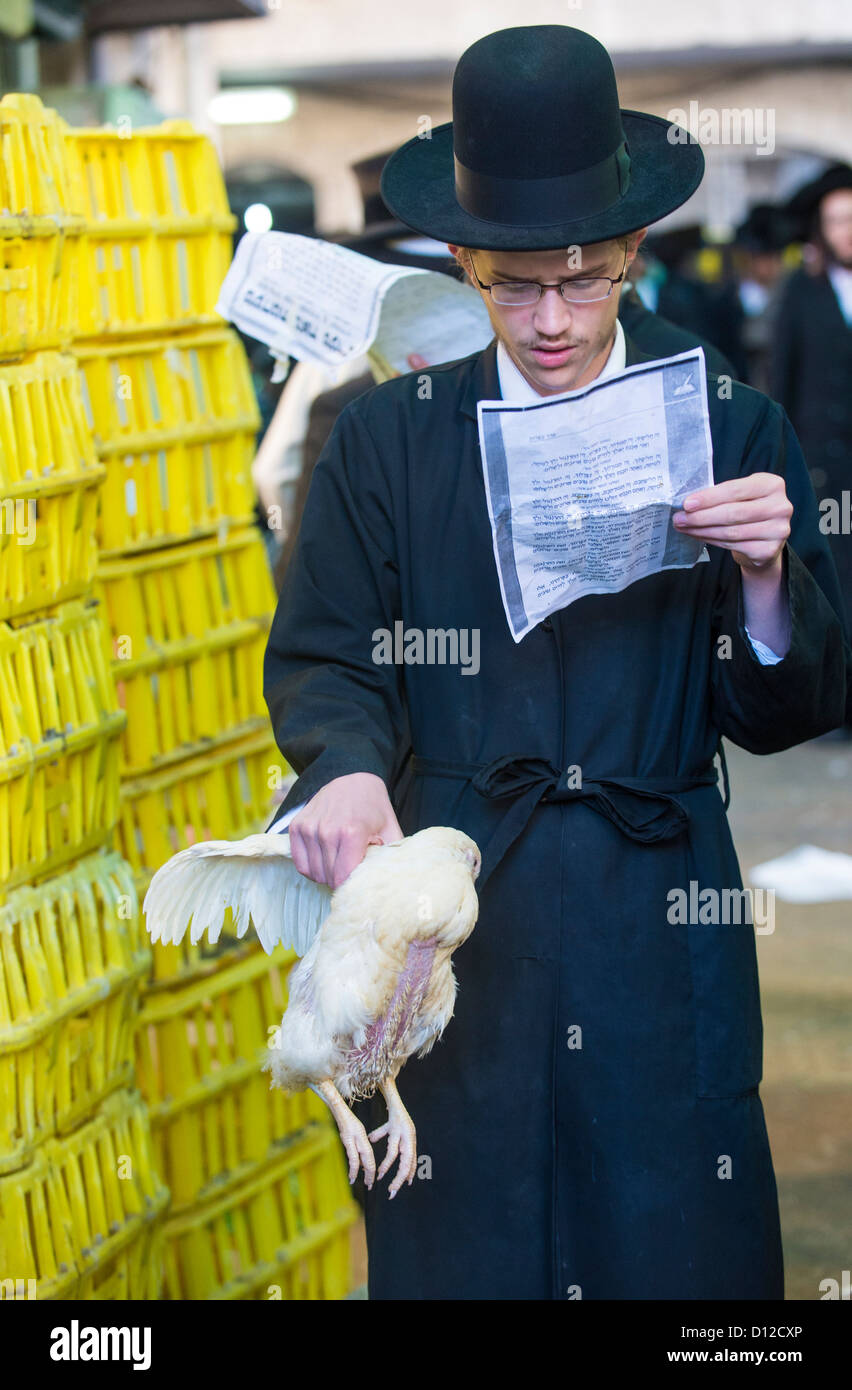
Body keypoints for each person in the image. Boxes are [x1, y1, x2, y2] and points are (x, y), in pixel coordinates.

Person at [262, 26, 849, 1299]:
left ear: (633, 254)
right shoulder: (388, 443)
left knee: (674, 1229)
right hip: (459, 910)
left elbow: (792, 707)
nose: (550, 319)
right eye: (515, 283)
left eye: (583, 283)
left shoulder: (728, 423)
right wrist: (346, 770)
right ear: (464, 259)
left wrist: (764, 580)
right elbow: (327, 652)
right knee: (470, 1226)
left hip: (658, 894)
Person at [771, 163, 852, 653]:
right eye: (838, 220)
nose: (848, 230)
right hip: (826, 461)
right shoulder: (802, 289)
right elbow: (784, 375)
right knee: (838, 570)